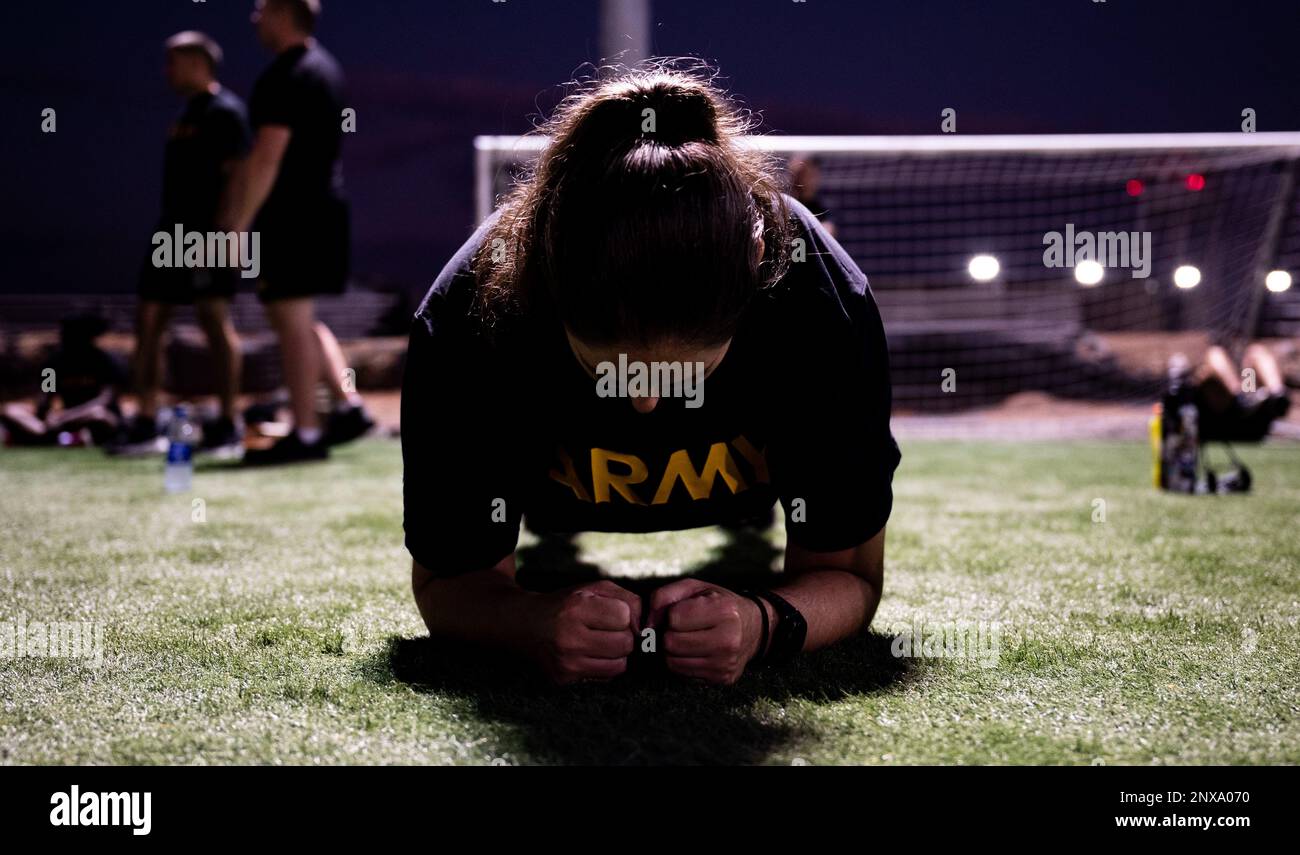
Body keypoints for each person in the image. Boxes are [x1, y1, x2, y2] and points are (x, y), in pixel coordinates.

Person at [403, 68, 900, 686]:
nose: (644, 406)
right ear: (547, 286)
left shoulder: (820, 304)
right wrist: (527, 622)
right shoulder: (472, 315)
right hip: (545, 492)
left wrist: (764, 622)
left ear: (756, 277)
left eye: (686, 373)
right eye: (607, 368)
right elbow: (448, 581)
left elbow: (850, 575)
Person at [223, 0, 372, 465]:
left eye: (261, 9)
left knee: (289, 319)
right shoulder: (324, 66)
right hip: (321, 208)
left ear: (283, 14)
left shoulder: (287, 74)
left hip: (293, 213)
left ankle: (306, 434)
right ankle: (347, 406)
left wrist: (238, 225)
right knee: (297, 317)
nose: (254, 18)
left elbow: (267, 156)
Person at [115, 31, 249, 455]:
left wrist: (231, 232)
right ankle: (145, 421)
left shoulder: (226, 111)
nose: (167, 71)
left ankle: (228, 423)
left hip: (211, 232)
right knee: (149, 318)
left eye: (173, 62)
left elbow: (240, 175)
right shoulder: (185, 114)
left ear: (197, 62)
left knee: (213, 318)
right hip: (170, 231)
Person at [2, 314, 124, 447]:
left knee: (98, 414)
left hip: (88, 415)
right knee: (11, 410)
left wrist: (66, 415)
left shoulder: (105, 361)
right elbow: (45, 398)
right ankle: (53, 436)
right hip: (65, 420)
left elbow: (105, 400)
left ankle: (48, 437)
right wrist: (47, 416)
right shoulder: (52, 365)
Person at [1184, 341, 1291, 442]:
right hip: (1220, 421)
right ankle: (1240, 395)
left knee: (1255, 352)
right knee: (1215, 353)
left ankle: (1277, 394)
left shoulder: (1246, 371)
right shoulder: (1212, 364)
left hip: (1250, 419)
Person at [787, 154, 836, 238]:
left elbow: (827, 232)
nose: (808, 180)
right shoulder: (786, 203)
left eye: (811, 175)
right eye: (803, 175)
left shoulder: (823, 206)